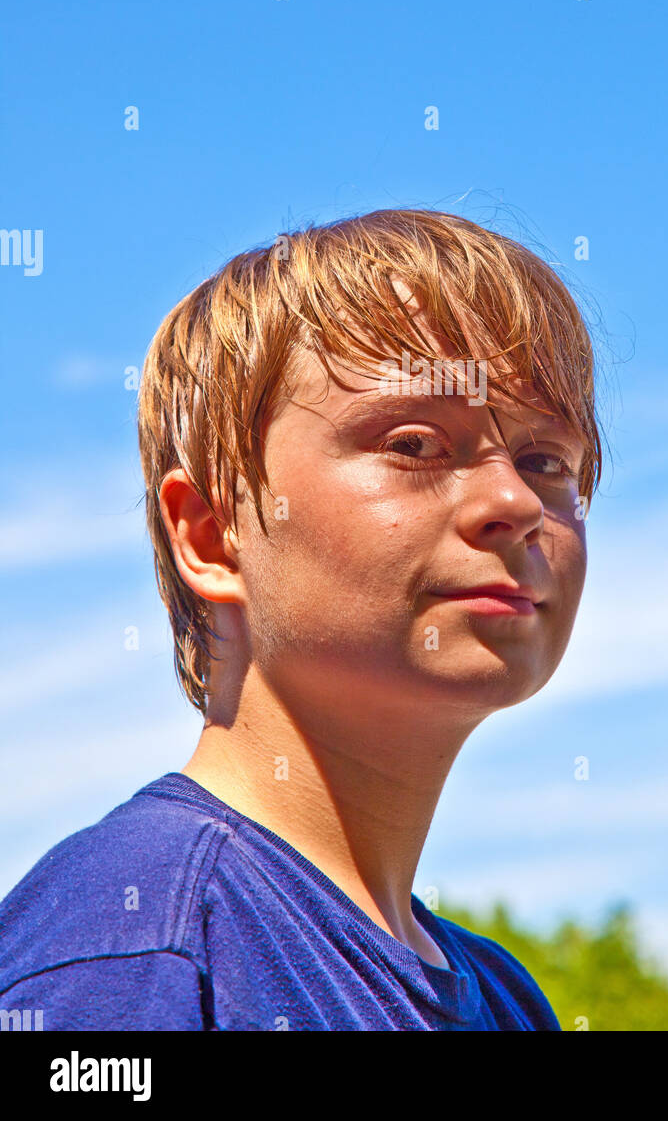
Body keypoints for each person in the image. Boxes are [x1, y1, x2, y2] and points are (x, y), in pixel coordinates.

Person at [0, 208, 601, 1030]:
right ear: (212, 535)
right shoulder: (133, 952)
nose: (515, 501)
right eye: (416, 445)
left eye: (547, 461)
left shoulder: (507, 997)